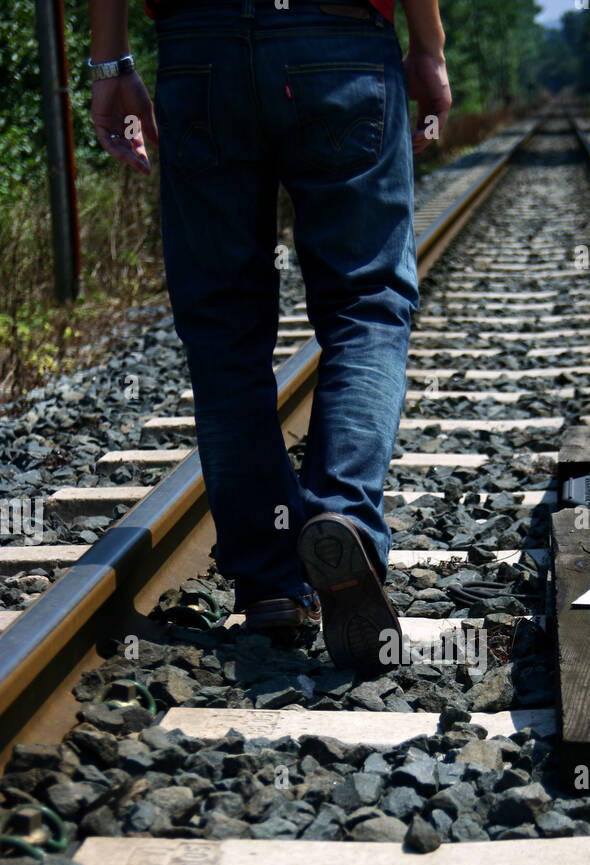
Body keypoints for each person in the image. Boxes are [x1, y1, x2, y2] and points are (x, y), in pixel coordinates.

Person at [88, 0, 451, 672]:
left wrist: (110, 61)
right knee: (365, 303)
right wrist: (428, 45)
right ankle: (342, 519)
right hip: (342, 40)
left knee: (223, 321)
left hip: (200, 47)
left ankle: (269, 586)